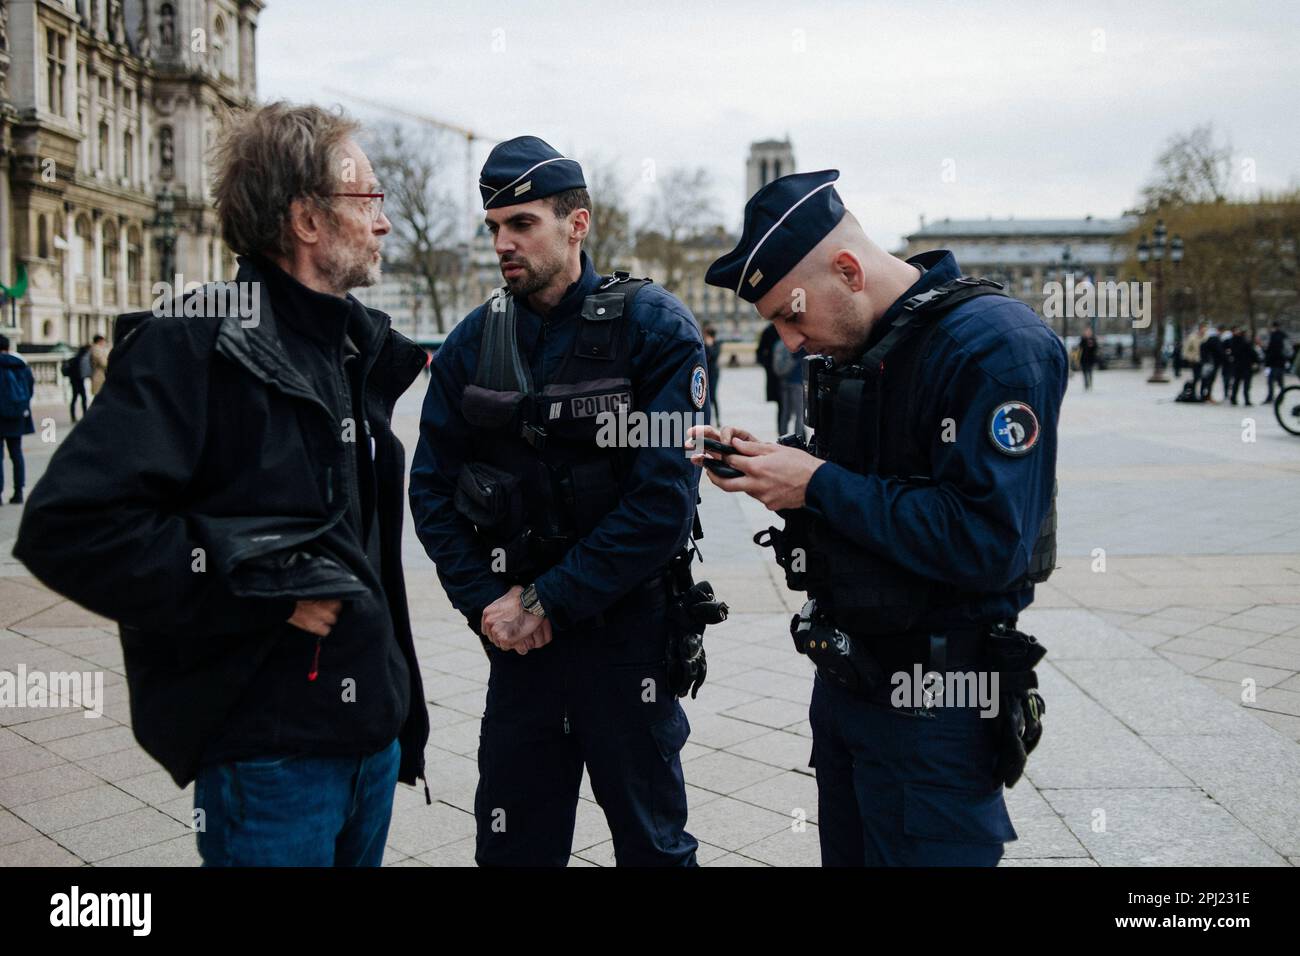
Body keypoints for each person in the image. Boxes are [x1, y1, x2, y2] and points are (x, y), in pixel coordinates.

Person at [14, 102, 430, 866]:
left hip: (370, 739)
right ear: (307, 219)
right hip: (273, 755)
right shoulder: (195, 344)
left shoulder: (357, 349)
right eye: (368, 200)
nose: (386, 223)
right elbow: (68, 527)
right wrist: (261, 583)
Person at [691, 169, 1064, 866]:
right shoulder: (867, 349)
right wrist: (777, 461)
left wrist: (817, 485)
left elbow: (990, 543)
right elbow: (872, 486)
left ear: (847, 270)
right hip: (848, 686)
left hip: (936, 706)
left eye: (791, 315)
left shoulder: (995, 346)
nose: (791, 342)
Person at [408, 136, 712, 867]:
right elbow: (429, 490)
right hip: (520, 649)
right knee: (513, 850)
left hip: (626, 639)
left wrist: (544, 600)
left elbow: (662, 504)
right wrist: (488, 602)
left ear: (577, 224)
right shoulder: (474, 341)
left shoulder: (656, 331)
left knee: (654, 848)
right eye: (494, 228)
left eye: (523, 224)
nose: (504, 244)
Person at [0, 335, 35, 505]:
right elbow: (30, 388)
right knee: (16, 454)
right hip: (16, 415)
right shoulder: (20, 364)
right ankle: (18, 492)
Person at [771, 336, 805, 439]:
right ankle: (799, 438)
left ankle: (782, 437)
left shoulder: (779, 343)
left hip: (784, 380)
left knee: (785, 412)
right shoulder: (800, 342)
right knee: (800, 414)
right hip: (798, 381)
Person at [757, 321, 783, 428]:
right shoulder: (769, 331)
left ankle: (783, 432)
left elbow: (759, 354)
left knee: (783, 407)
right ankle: (784, 431)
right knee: (783, 406)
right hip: (779, 376)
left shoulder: (769, 330)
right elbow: (759, 354)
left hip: (781, 376)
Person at [1228, 326, 1259, 405]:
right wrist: (1256, 361)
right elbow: (1252, 353)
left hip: (1237, 365)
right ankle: (1246, 399)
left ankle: (1233, 398)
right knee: (1246, 384)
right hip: (1246, 366)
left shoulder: (1232, 341)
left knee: (1236, 383)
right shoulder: (1246, 343)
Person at [61, 343, 91, 422]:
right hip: (78, 382)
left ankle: (74, 416)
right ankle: (82, 415)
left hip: (75, 381)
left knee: (76, 399)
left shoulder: (75, 359)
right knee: (80, 398)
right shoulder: (80, 360)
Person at [1264, 322, 1290, 403]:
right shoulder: (1283, 336)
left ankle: (1271, 397)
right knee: (1280, 382)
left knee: (1271, 381)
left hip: (1273, 363)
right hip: (1280, 363)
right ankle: (1281, 397)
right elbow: (1287, 350)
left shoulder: (1273, 336)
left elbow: (1269, 350)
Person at [703, 323, 722, 424]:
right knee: (706, 397)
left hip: (713, 373)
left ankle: (717, 419)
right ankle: (708, 420)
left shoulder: (717, 344)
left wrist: (709, 346)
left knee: (713, 396)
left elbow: (714, 356)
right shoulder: (703, 344)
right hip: (705, 372)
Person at [1200, 326, 1223, 402]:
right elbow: (1219, 351)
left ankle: (1203, 395)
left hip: (1207, 363)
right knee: (1210, 380)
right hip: (1213, 363)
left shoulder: (1205, 341)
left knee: (1204, 379)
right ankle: (1208, 395)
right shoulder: (1216, 340)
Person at [1181, 323, 1204, 397]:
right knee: (1196, 377)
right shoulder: (1192, 338)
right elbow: (1186, 349)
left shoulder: (1206, 337)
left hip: (1203, 360)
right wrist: (1190, 358)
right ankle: (1193, 392)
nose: (1203, 331)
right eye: (1202, 329)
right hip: (1195, 360)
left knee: (1201, 377)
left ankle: (1200, 393)